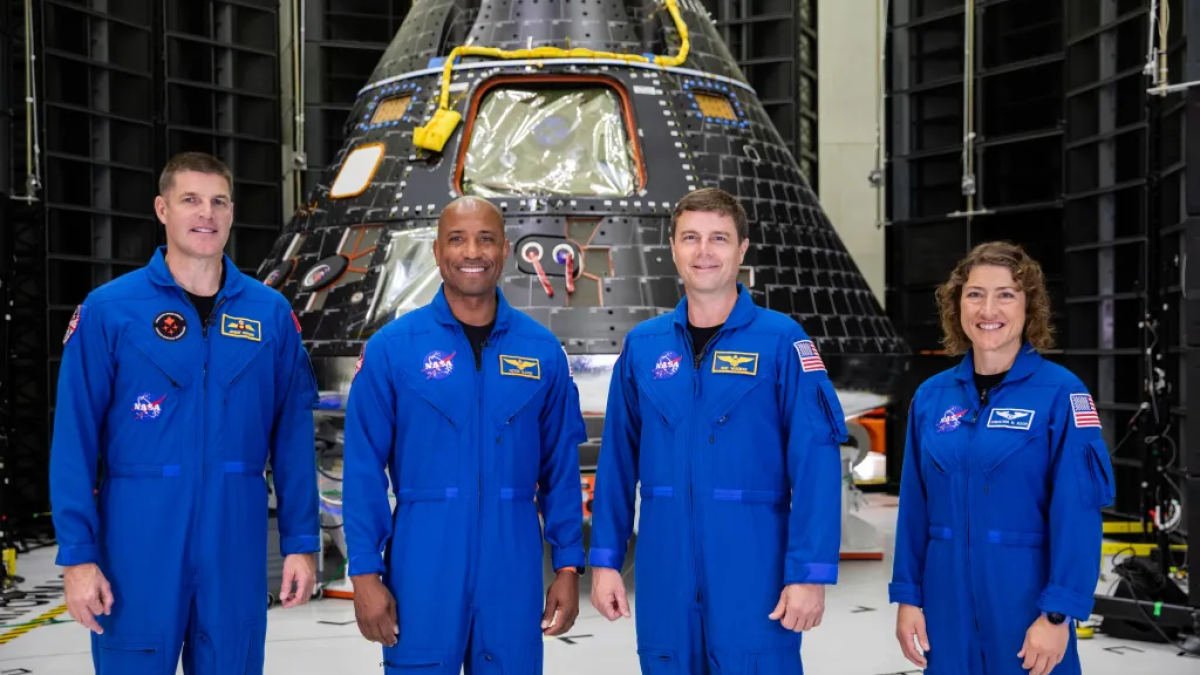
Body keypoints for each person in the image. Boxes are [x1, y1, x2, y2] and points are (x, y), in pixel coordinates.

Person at [49, 151, 321, 674]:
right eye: (190, 200)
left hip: (235, 544)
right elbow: (74, 441)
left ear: (232, 212)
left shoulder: (270, 315)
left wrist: (301, 542)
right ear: (162, 209)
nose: (206, 214)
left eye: (219, 201)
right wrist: (78, 556)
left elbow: (292, 440)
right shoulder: (110, 310)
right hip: (137, 546)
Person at [588, 187, 849, 674]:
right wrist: (605, 560)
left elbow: (816, 462)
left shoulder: (782, 342)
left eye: (719, 238)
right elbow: (617, 463)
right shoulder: (643, 347)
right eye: (690, 237)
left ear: (742, 249)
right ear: (672, 248)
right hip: (665, 573)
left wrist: (809, 573)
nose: (703, 251)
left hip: (755, 572)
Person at [342, 195, 587, 674]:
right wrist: (365, 573)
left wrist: (567, 566)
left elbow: (561, 468)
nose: (472, 252)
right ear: (437, 251)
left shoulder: (542, 352)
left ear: (505, 249)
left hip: (512, 563)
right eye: (457, 239)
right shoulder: (393, 349)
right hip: (422, 562)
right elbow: (363, 469)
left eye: (485, 239)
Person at [889, 241, 1117, 675]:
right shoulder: (931, 397)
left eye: (1006, 295)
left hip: (1027, 606)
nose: (988, 309)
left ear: (1029, 307)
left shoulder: (1062, 394)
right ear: (957, 304)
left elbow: (1078, 514)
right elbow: (914, 509)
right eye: (975, 294)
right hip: (945, 608)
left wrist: (1057, 614)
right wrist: (907, 598)